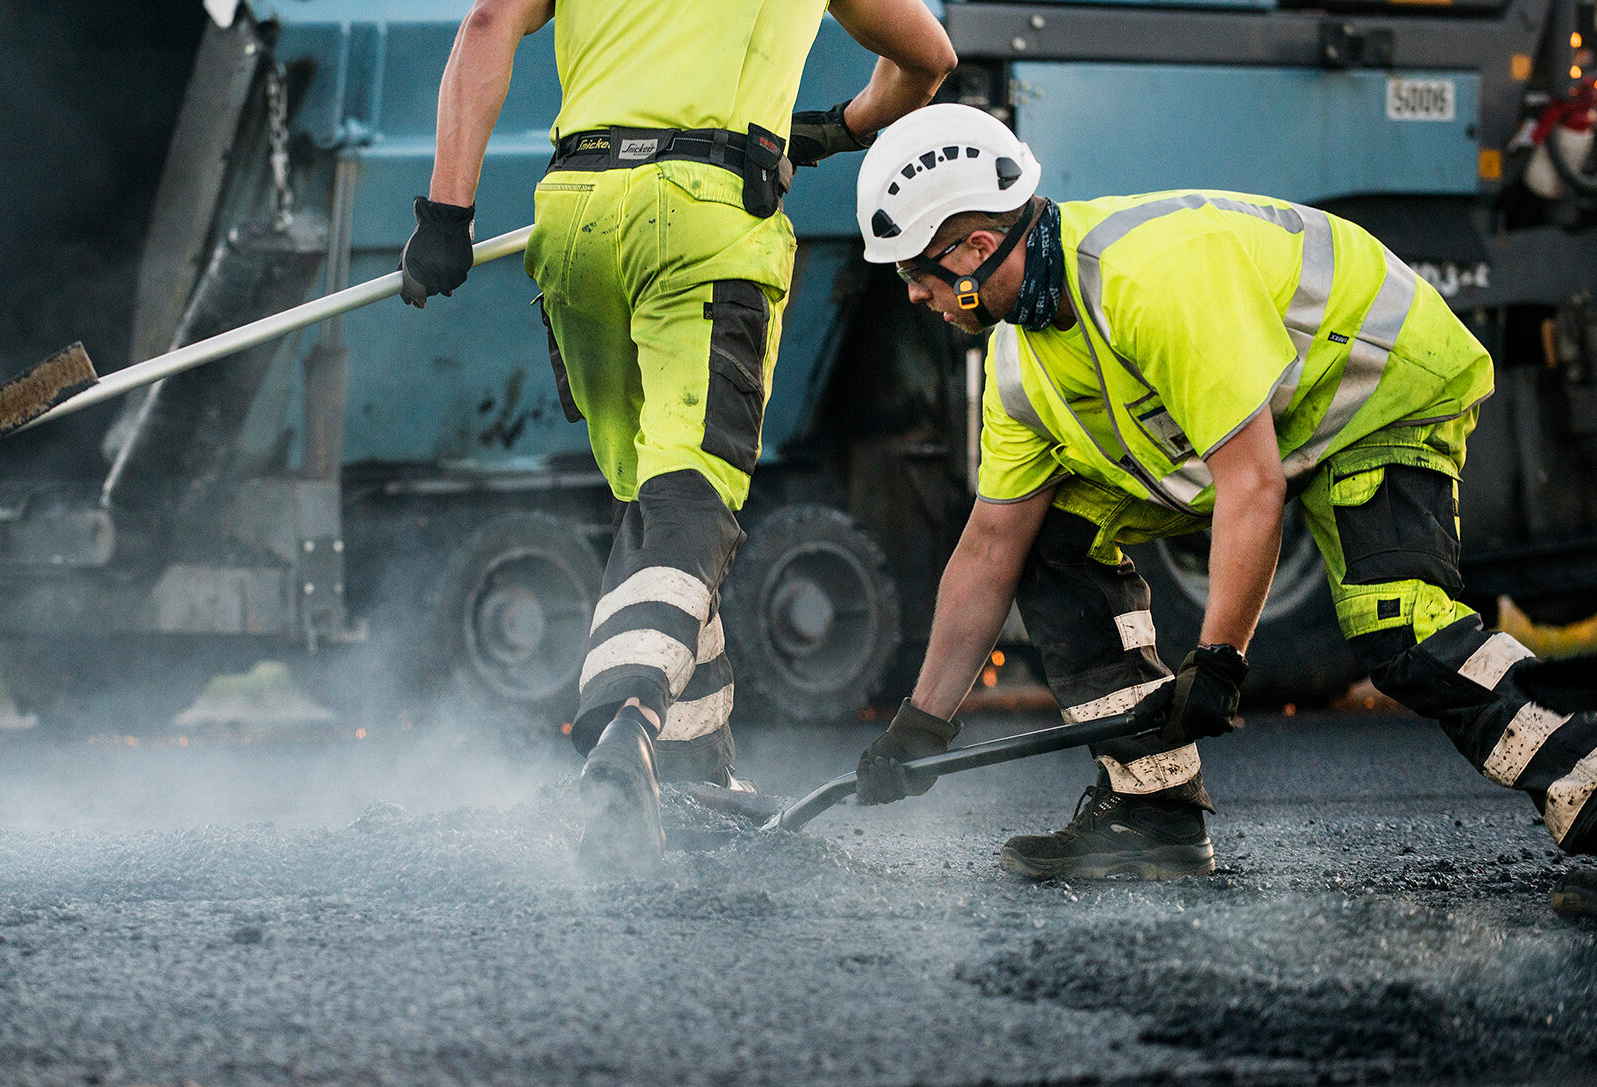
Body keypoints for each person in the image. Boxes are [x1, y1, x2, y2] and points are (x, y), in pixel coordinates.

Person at [848, 104, 1597, 917]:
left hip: (1379, 392)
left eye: (916, 274)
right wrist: (922, 723)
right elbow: (991, 545)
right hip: (1275, 428)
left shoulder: (1149, 279)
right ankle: (1152, 812)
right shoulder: (1018, 367)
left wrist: (1221, 660)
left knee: (1399, 629)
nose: (917, 295)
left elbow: (1253, 485)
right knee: (1046, 541)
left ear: (976, 249)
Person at [399, 0, 957, 875]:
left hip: (575, 217)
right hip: (706, 217)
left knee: (654, 506)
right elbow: (927, 58)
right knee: (693, 495)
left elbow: (485, 25)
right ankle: (625, 728)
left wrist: (446, 211)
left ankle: (696, 778)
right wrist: (831, 129)